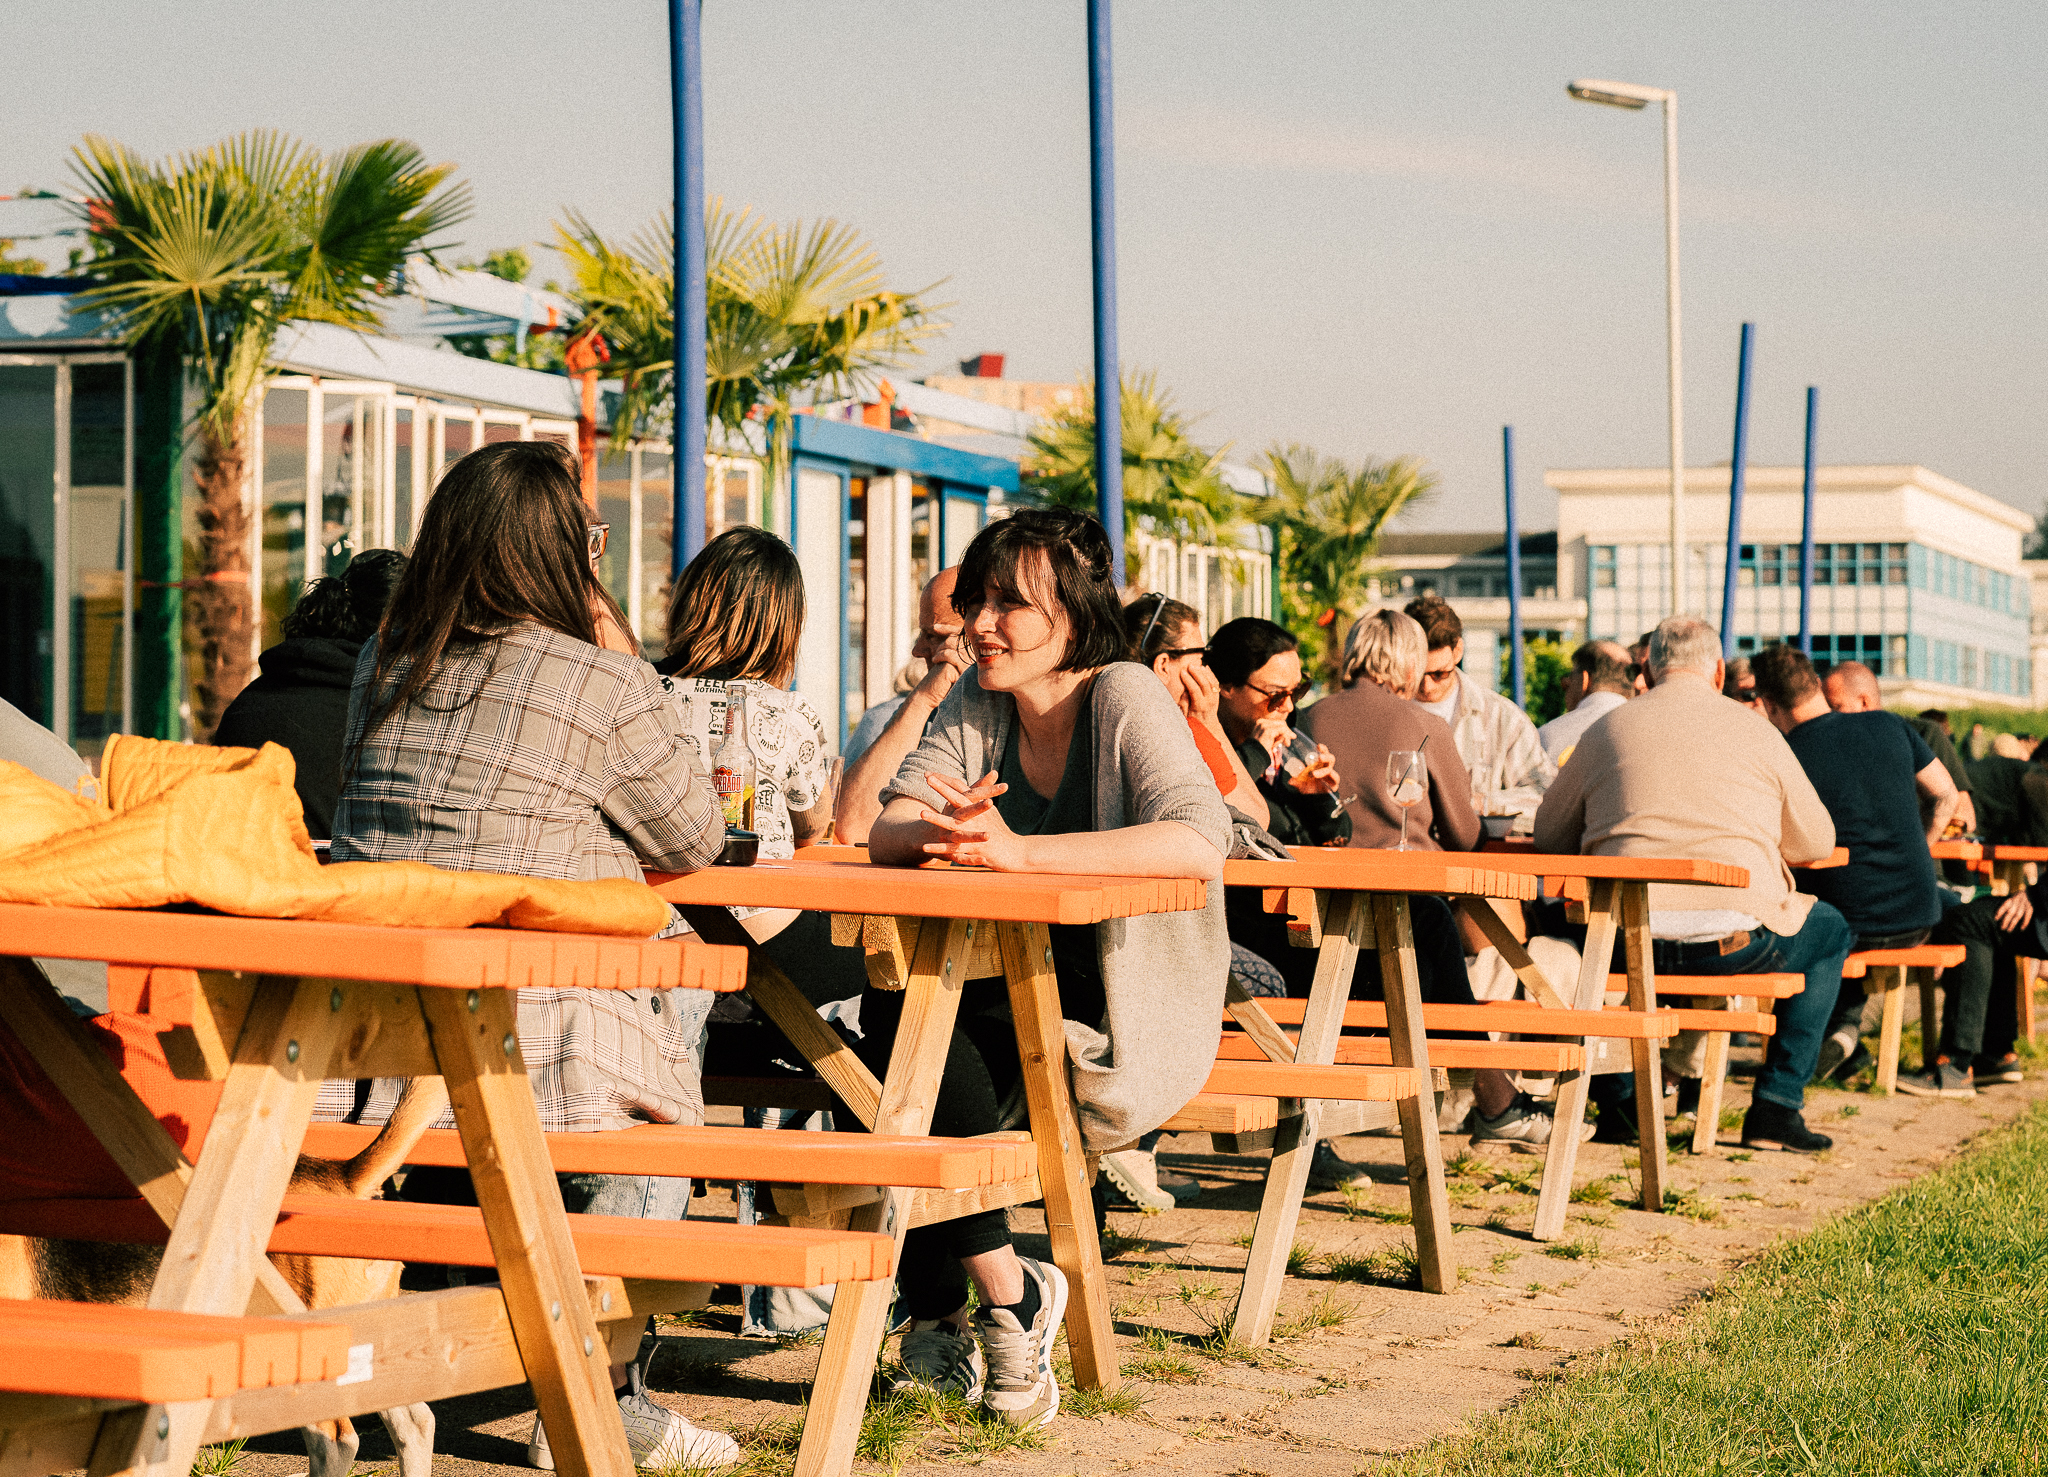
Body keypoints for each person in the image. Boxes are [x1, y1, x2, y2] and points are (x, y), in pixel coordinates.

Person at [330, 440, 736, 1470]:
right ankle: (606, 1388)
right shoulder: (600, 681)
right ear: (570, 558)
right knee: (669, 997)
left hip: (361, 1052)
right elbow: (694, 840)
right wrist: (619, 653)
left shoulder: (382, 663)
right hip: (542, 1055)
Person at [866, 508, 1230, 1429]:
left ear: (1072, 615)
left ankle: (952, 1303)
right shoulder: (984, 699)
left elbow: (1199, 839)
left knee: (902, 1045)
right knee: (877, 1028)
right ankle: (997, 1291)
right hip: (999, 981)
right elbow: (883, 825)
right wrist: (936, 832)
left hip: (1116, 1002)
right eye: (976, 599)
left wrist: (1021, 852)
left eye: (1008, 604)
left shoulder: (1124, 696)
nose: (978, 623)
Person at [1534, 617, 1850, 1153]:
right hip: (1734, 947)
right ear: (1720, 670)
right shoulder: (1757, 730)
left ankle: (1623, 1105)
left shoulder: (1607, 730)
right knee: (1831, 930)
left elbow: (1548, 835)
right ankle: (1776, 1105)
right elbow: (1817, 843)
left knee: (1568, 939)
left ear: (1648, 670)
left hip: (1625, 945)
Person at [1298, 609, 1574, 1152]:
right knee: (1442, 951)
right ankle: (1498, 1102)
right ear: (1407, 660)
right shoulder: (1424, 725)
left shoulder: (1308, 719)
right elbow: (1466, 833)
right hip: (1406, 910)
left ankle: (1494, 1102)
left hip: (1319, 908)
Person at [1750, 644, 1957, 1090]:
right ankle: (1848, 1037)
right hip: (1919, 916)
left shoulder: (1786, 754)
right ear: (1814, 685)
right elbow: (1946, 795)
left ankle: (1828, 1044)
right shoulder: (1889, 724)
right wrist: (1922, 847)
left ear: (1767, 704)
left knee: (1817, 921)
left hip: (1848, 924)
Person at [656, 526, 834, 943]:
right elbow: (811, 827)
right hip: (753, 930)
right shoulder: (786, 711)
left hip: (650, 924)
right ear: (784, 628)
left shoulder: (636, 690)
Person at [214, 550, 406, 839]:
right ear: (395, 633)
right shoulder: (383, 720)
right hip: (335, 879)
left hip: (242, 876)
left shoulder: (248, 703)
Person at [836, 567, 969, 844]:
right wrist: (922, 701)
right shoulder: (894, 716)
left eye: (933, 635)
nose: (917, 650)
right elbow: (854, 830)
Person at [1404, 595, 1554, 827]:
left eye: (1439, 674)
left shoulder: (1502, 717)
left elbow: (1545, 793)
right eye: (1417, 673)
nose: (1427, 686)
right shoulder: (1382, 713)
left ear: (1458, 652)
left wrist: (1482, 803)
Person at [1124, 592, 1269, 827]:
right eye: (1201, 657)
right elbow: (1256, 817)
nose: (1206, 669)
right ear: (1163, 665)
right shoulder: (1171, 728)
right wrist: (1208, 720)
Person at [1208, 617, 1347, 846]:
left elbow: (1338, 837)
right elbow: (1216, 810)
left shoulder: (1291, 719)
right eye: (1276, 694)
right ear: (1226, 685)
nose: (1289, 705)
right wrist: (1255, 753)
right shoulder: (1200, 737)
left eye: (1297, 690)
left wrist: (1321, 798)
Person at [1824, 664, 1976, 836]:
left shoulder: (1923, 733)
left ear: (1864, 702)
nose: (1829, 716)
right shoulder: (1833, 746)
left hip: (1918, 857)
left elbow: (1963, 814)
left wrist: (1920, 846)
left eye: (1835, 707)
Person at [1536, 641, 1633, 764]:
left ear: (1584, 680)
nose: (1566, 685)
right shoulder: (1650, 729)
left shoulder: (1548, 737)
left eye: (1569, 679)